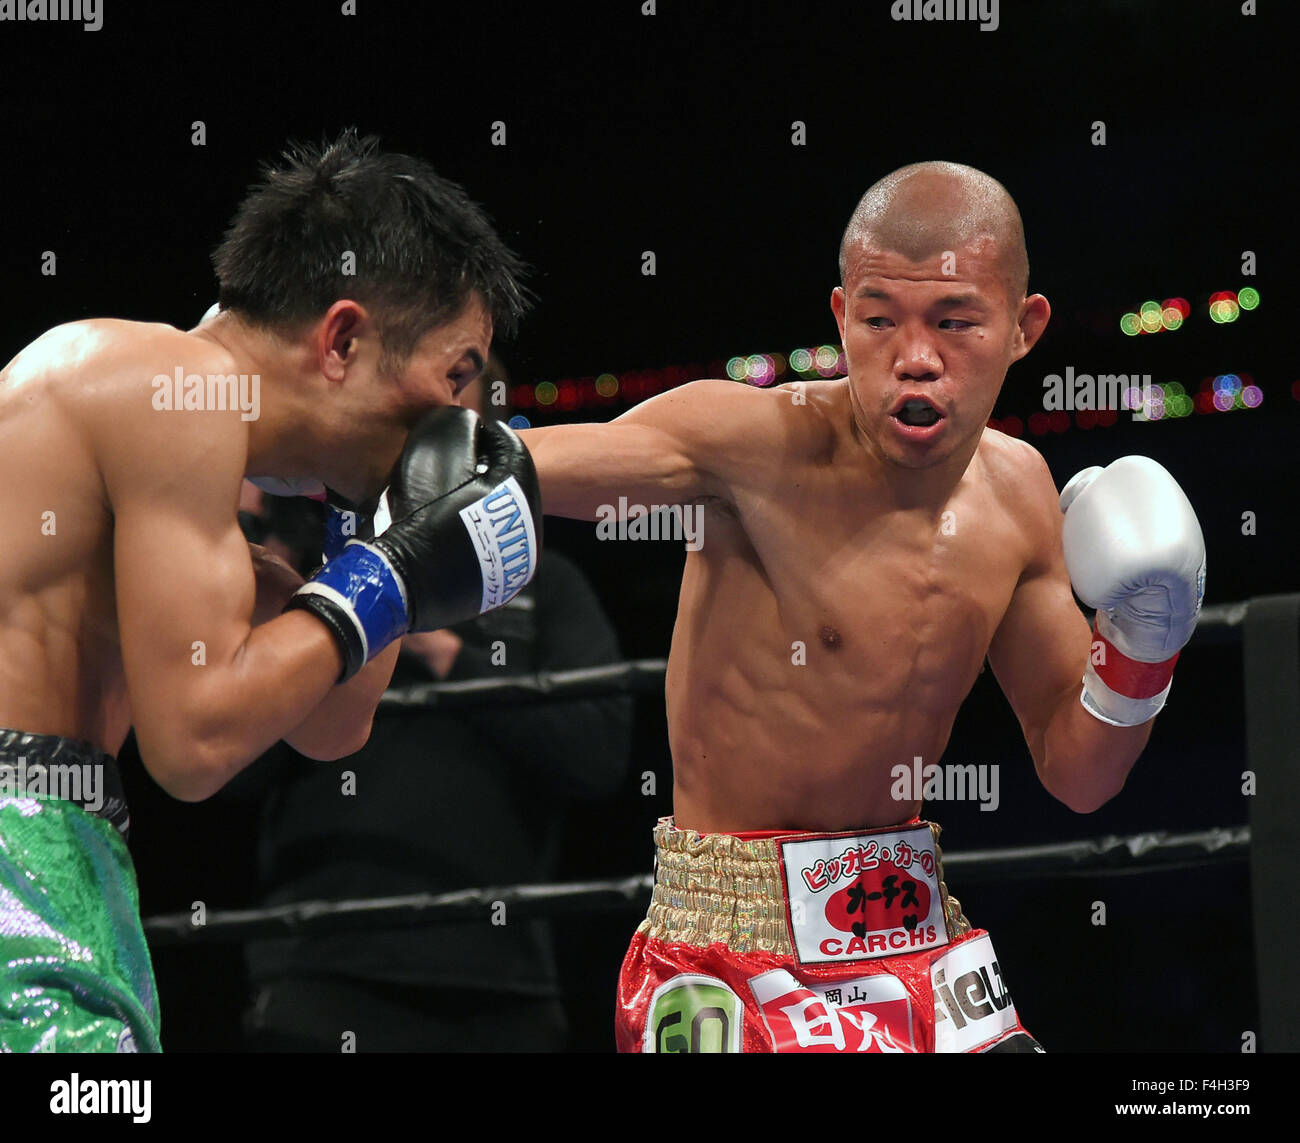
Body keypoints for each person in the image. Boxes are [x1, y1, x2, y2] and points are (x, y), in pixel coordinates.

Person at [520, 161, 1206, 1052]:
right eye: (881, 320)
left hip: (918, 937)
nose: (915, 357)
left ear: (1023, 328)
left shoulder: (1020, 493)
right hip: (728, 951)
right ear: (842, 317)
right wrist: (378, 454)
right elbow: (528, 470)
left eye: (955, 322)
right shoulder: (749, 445)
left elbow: (1081, 774)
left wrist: (1146, 644)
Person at [0, 129, 539, 1053]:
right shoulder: (176, 385)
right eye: (457, 377)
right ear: (342, 338)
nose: (463, 421)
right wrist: (396, 570)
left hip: (62, 832)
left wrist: (373, 538)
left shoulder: (178, 448)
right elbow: (197, 741)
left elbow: (328, 725)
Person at [236, 370, 633, 1052]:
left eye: (455, 409)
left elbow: (598, 755)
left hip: (503, 980)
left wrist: (432, 636)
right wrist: (322, 610)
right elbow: (228, 764)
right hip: (321, 969)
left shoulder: (547, 585)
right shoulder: (305, 576)